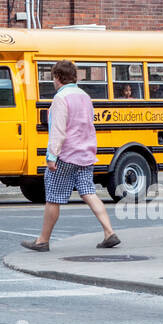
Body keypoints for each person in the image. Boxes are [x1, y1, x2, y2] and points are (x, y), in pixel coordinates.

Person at [22, 60, 120, 252]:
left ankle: (42, 240)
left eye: (53, 77)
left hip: (66, 156)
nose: (53, 81)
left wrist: (51, 156)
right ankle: (109, 232)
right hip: (86, 154)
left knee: (53, 198)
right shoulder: (85, 96)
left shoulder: (61, 98)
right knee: (89, 192)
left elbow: (58, 130)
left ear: (58, 77)